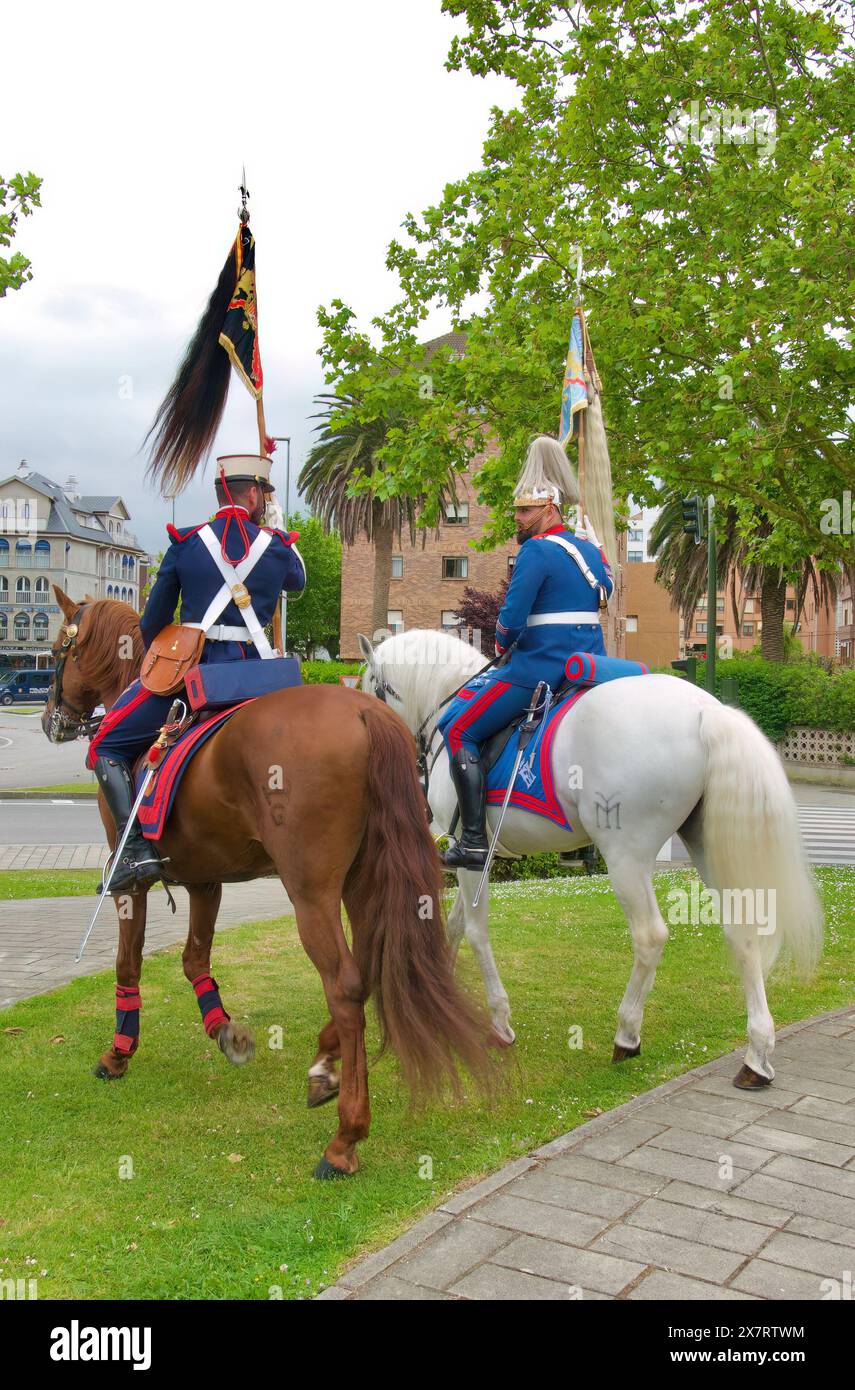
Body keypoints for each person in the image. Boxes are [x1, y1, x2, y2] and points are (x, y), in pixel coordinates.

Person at [87, 454, 306, 891]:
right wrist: (280, 533)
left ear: (221, 493)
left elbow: (151, 623)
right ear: (252, 495)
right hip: (259, 677)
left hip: (195, 678)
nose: (265, 502)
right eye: (265, 495)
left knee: (105, 745)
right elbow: (297, 582)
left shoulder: (186, 543)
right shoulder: (277, 547)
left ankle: (133, 852)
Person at [438, 435, 614, 869]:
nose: (517, 519)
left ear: (549, 509)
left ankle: (475, 840)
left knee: (459, 728)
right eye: (517, 510)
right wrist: (601, 558)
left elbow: (511, 621)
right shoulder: (590, 551)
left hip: (539, 668)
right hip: (590, 665)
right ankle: (579, 838)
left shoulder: (536, 551)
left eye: (524, 511)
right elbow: (606, 592)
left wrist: (501, 644)